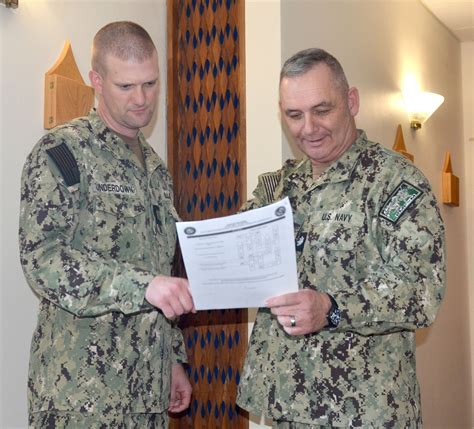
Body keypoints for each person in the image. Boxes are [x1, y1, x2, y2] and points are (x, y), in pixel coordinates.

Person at [237, 48, 446, 428]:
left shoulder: (394, 183)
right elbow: (241, 256)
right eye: (294, 115)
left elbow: (421, 292)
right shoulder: (277, 188)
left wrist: (332, 308)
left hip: (364, 412)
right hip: (288, 406)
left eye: (322, 110)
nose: (308, 128)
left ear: (351, 101)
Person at [19, 21, 195, 428]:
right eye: (126, 87)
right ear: (97, 81)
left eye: (150, 84)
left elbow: (160, 269)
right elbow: (43, 261)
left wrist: (173, 359)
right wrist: (141, 286)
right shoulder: (63, 152)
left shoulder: (154, 168)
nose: (142, 99)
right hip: (82, 394)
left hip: (146, 394)